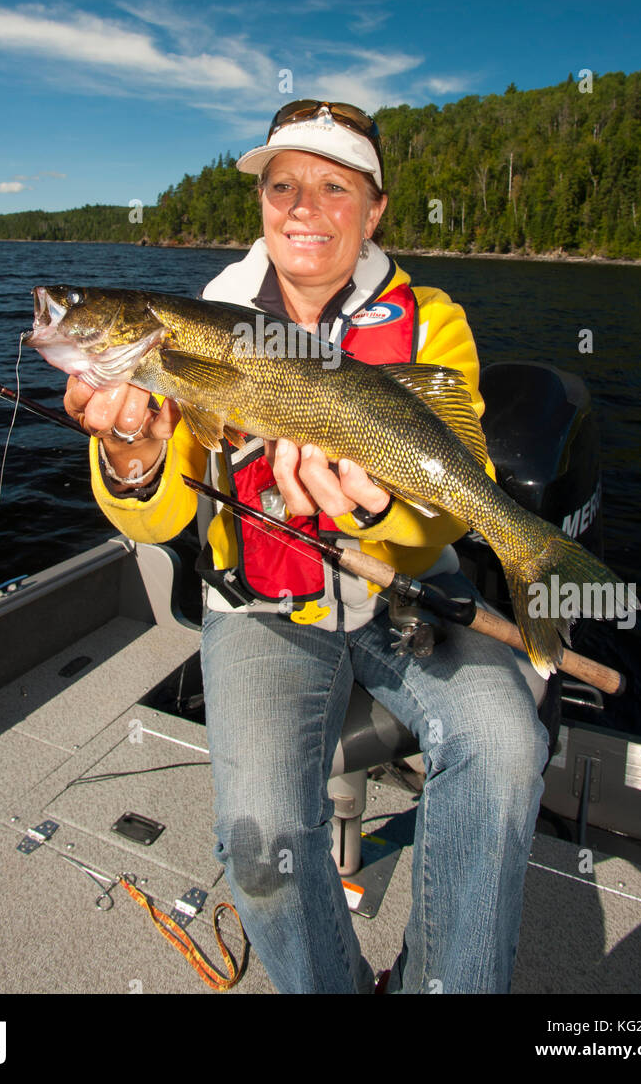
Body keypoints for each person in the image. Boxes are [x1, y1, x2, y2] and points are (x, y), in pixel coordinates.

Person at [64, 100, 549, 994]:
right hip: (261, 605)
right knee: (257, 843)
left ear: (374, 211)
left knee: (507, 744)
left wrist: (377, 520)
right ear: (258, 202)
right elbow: (161, 513)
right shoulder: (199, 318)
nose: (301, 206)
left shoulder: (431, 319)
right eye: (281, 184)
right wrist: (132, 455)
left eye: (334, 186)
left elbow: (445, 511)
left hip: (407, 597)